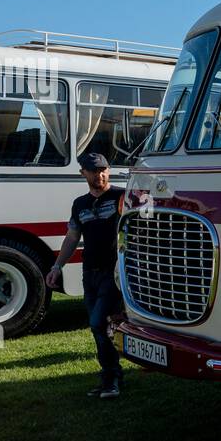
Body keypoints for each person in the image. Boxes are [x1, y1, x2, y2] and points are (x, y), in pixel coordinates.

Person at [47, 153, 126, 399]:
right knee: (98, 327)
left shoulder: (121, 197)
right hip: (88, 272)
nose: (99, 175)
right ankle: (109, 377)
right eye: (93, 171)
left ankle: (111, 378)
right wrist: (57, 267)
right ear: (83, 173)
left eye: (103, 170)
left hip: (112, 273)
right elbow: (72, 237)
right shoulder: (79, 204)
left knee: (97, 322)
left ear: (109, 170)